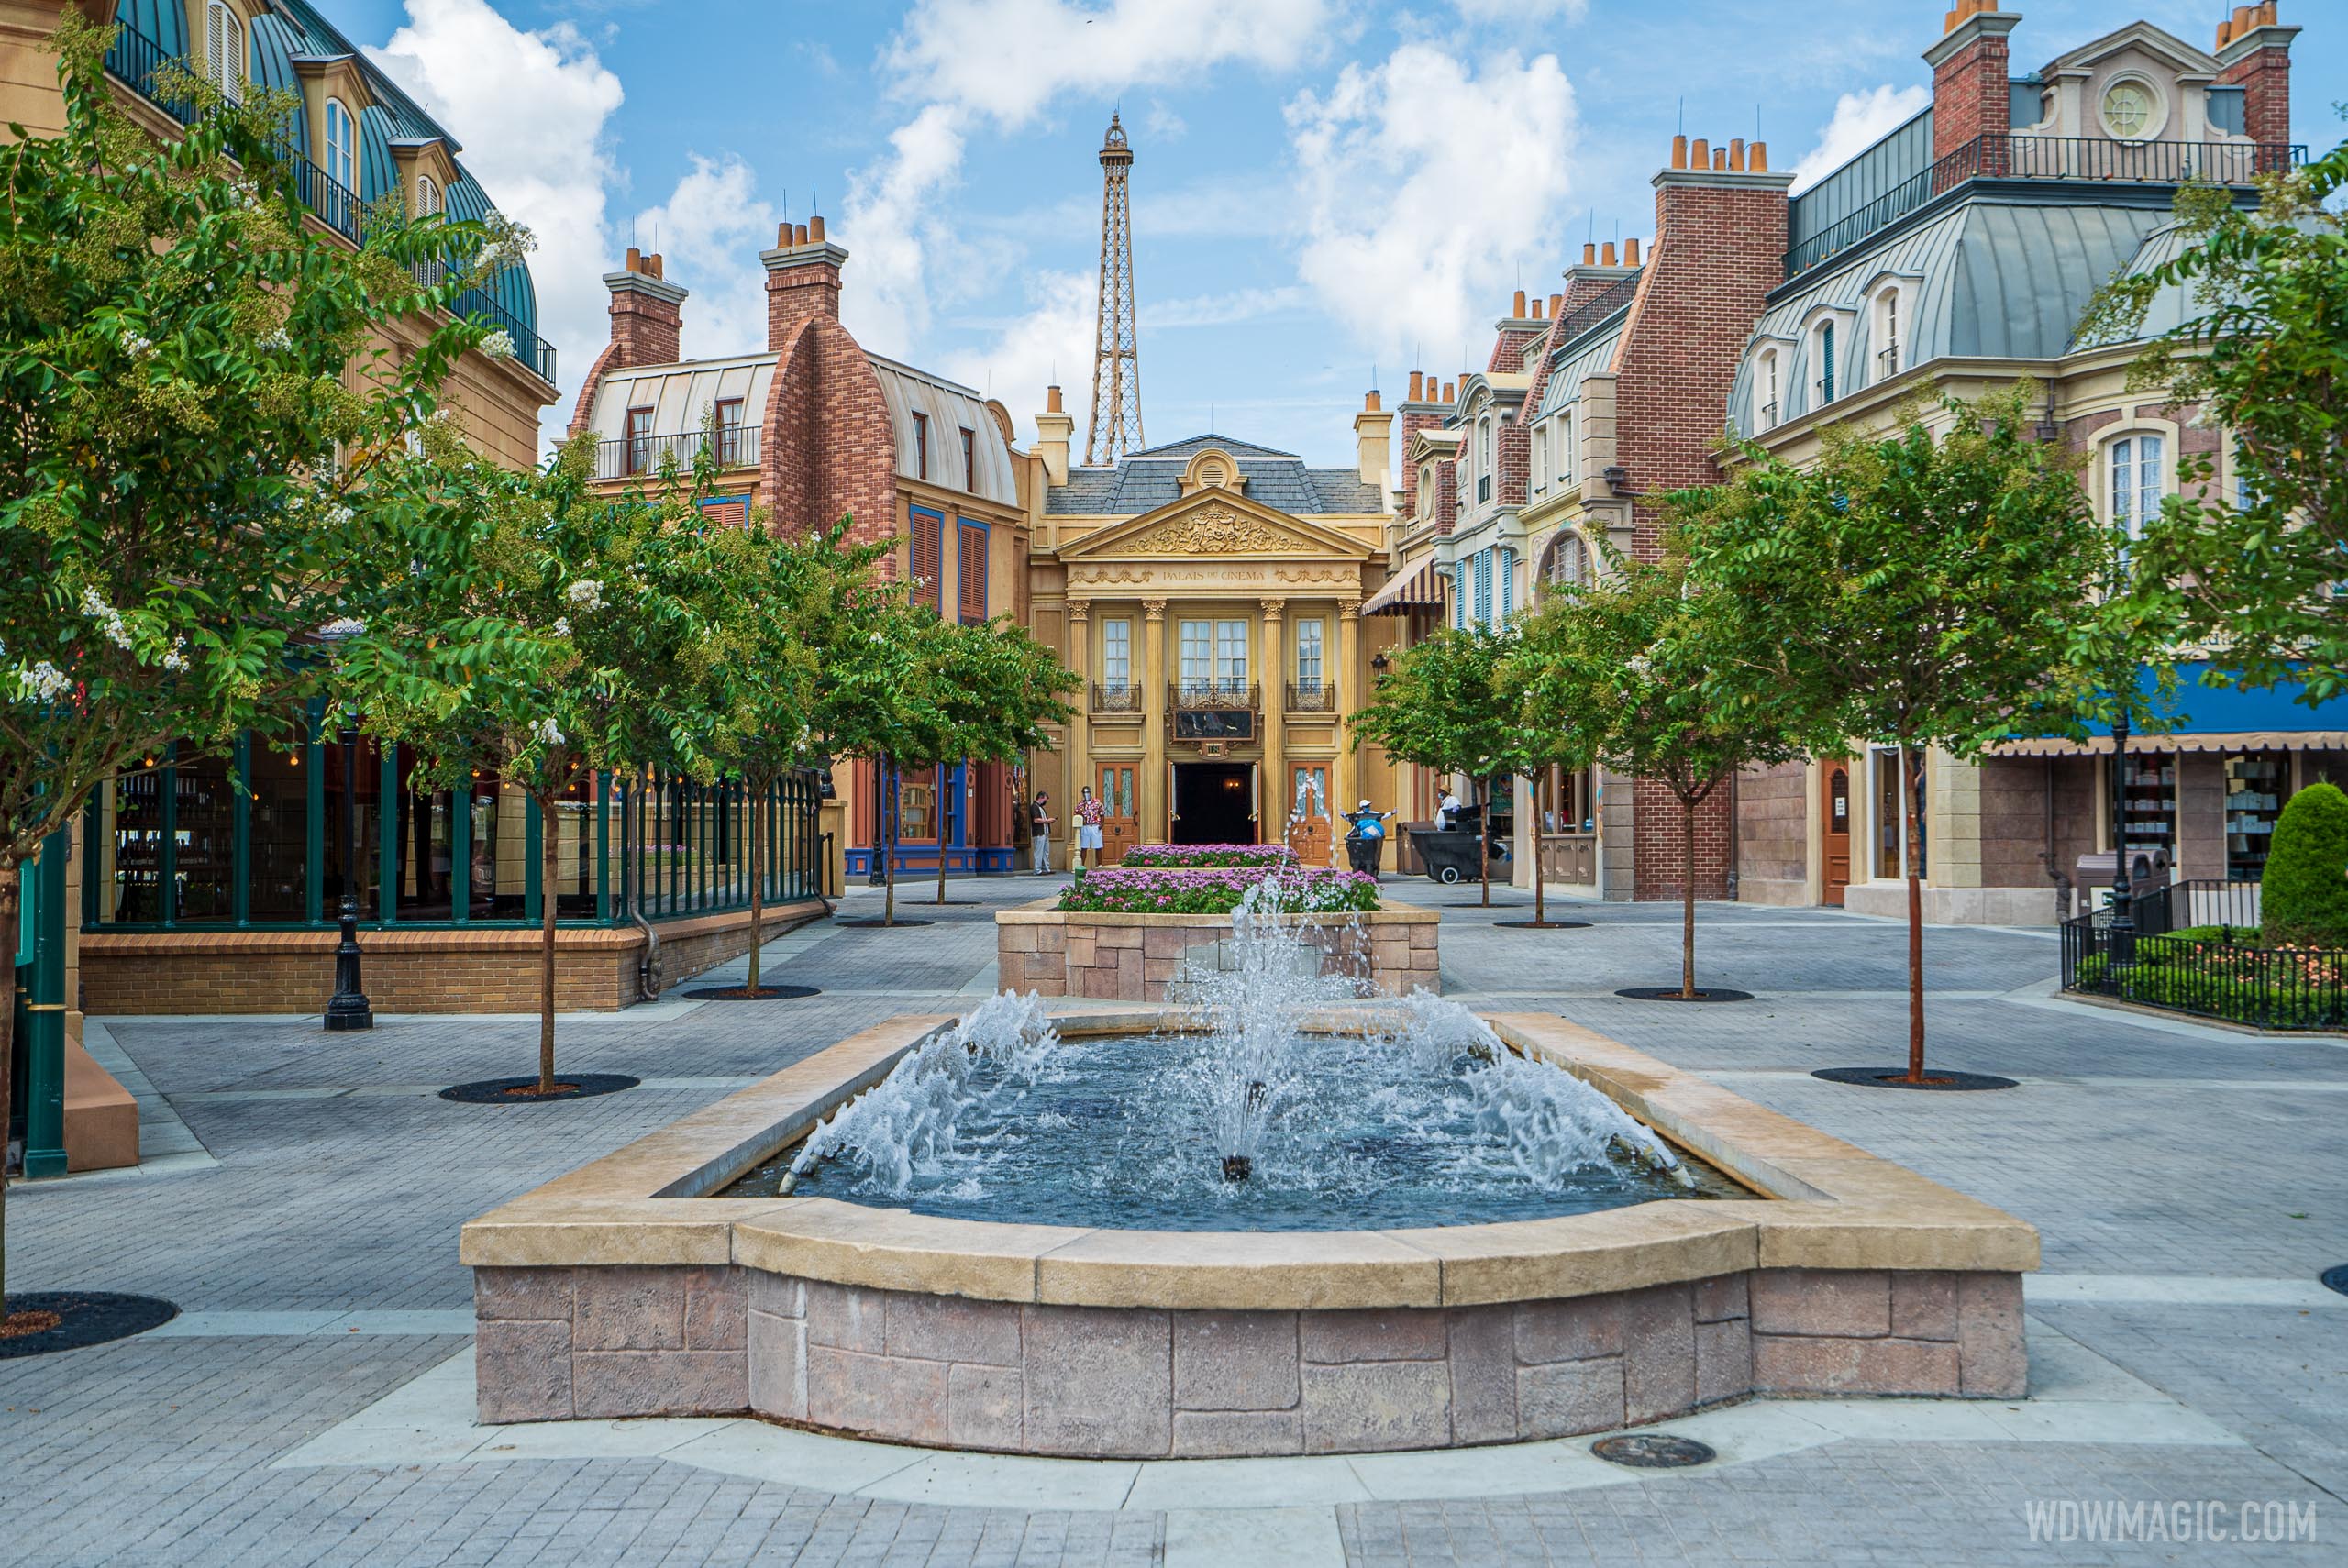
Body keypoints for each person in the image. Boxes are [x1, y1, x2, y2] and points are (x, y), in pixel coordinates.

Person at [1343, 799, 1393, 879]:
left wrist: (1391, 813)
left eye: (1368, 806)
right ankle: (1359, 871)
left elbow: (1382, 816)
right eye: (1366, 806)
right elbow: (1349, 819)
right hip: (1360, 839)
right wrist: (1343, 815)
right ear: (1361, 807)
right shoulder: (1357, 815)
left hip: (1372, 840)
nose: (1368, 807)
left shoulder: (1373, 814)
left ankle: (1374, 871)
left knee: (1374, 855)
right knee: (1360, 857)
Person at [1076, 786, 1105, 870]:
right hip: (1085, 827)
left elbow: (1102, 813)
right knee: (1084, 847)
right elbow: (1076, 815)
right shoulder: (1080, 805)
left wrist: (1102, 824)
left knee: (1098, 846)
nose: (1086, 794)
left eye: (1088, 792)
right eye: (1085, 793)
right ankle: (1082, 865)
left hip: (1095, 826)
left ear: (1090, 793)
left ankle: (1099, 865)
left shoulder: (1097, 802)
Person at [1030, 792, 1054, 875]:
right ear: (1040, 797)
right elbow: (1036, 820)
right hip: (1039, 833)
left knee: (1045, 852)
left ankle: (1046, 868)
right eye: (1045, 800)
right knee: (1039, 852)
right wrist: (1048, 820)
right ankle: (1037, 870)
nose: (1045, 802)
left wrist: (1048, 821)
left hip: (1045, 832)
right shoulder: (1034, 807)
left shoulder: (1040, 807)